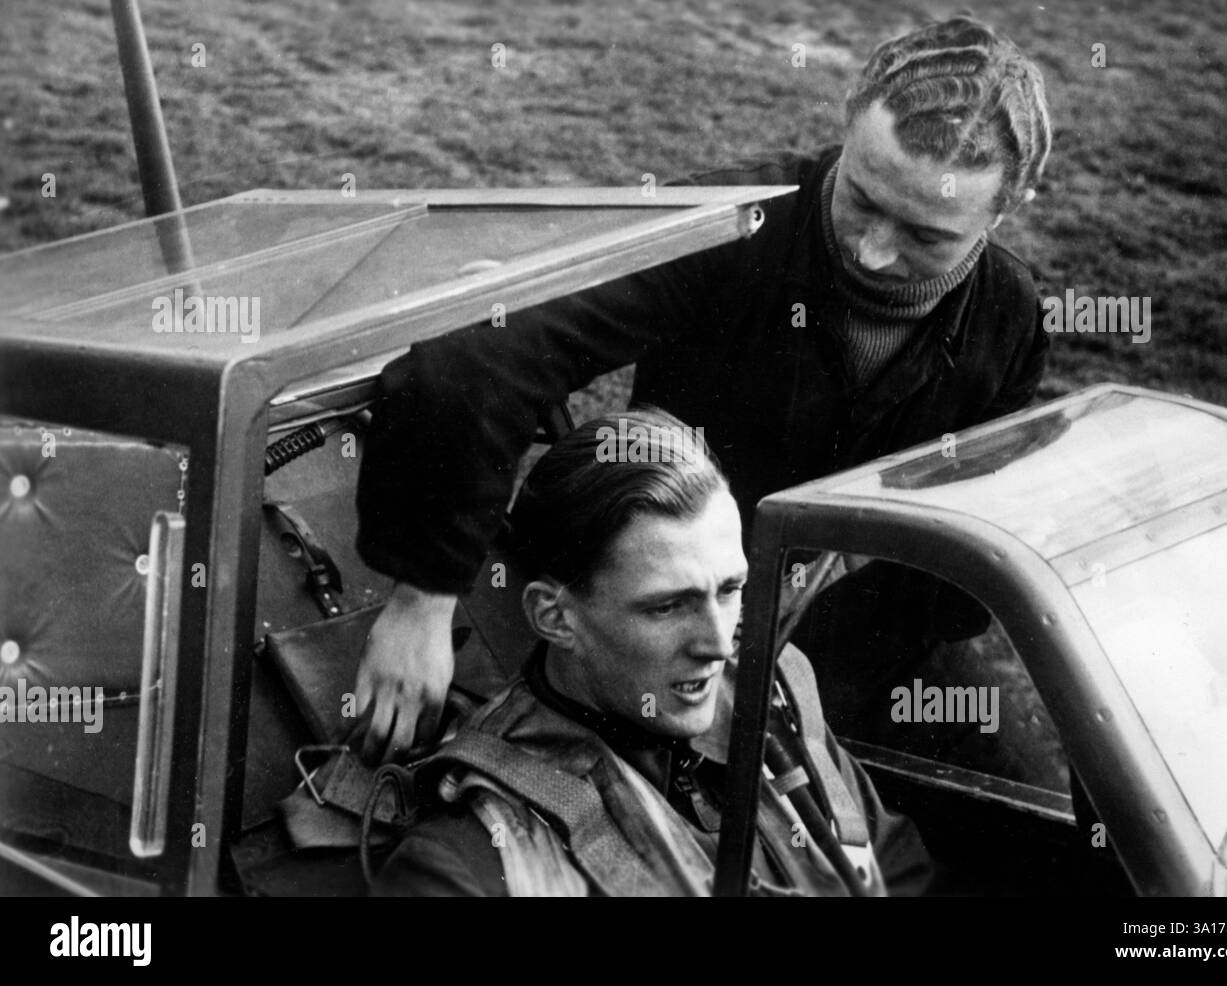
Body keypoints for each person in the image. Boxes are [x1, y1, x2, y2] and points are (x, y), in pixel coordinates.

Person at [354, 15, 1053, 762]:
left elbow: (965, 542)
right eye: (863, 198)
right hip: (664, 614)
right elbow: (481, 353)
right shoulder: (726, 223)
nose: (872, 252)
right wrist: (423, 600)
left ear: (1010, 207)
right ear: (847, 127)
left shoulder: (1009, 315)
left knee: (1024, 807)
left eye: (925, 235)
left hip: (862, 647)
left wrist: (846, 578)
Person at [373, 409, 932, 896]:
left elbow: (891, 867)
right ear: (555, 616)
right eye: (667, 607)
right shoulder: (469, 862)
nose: (717, 644)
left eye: (730, 590)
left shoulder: (772, 694)